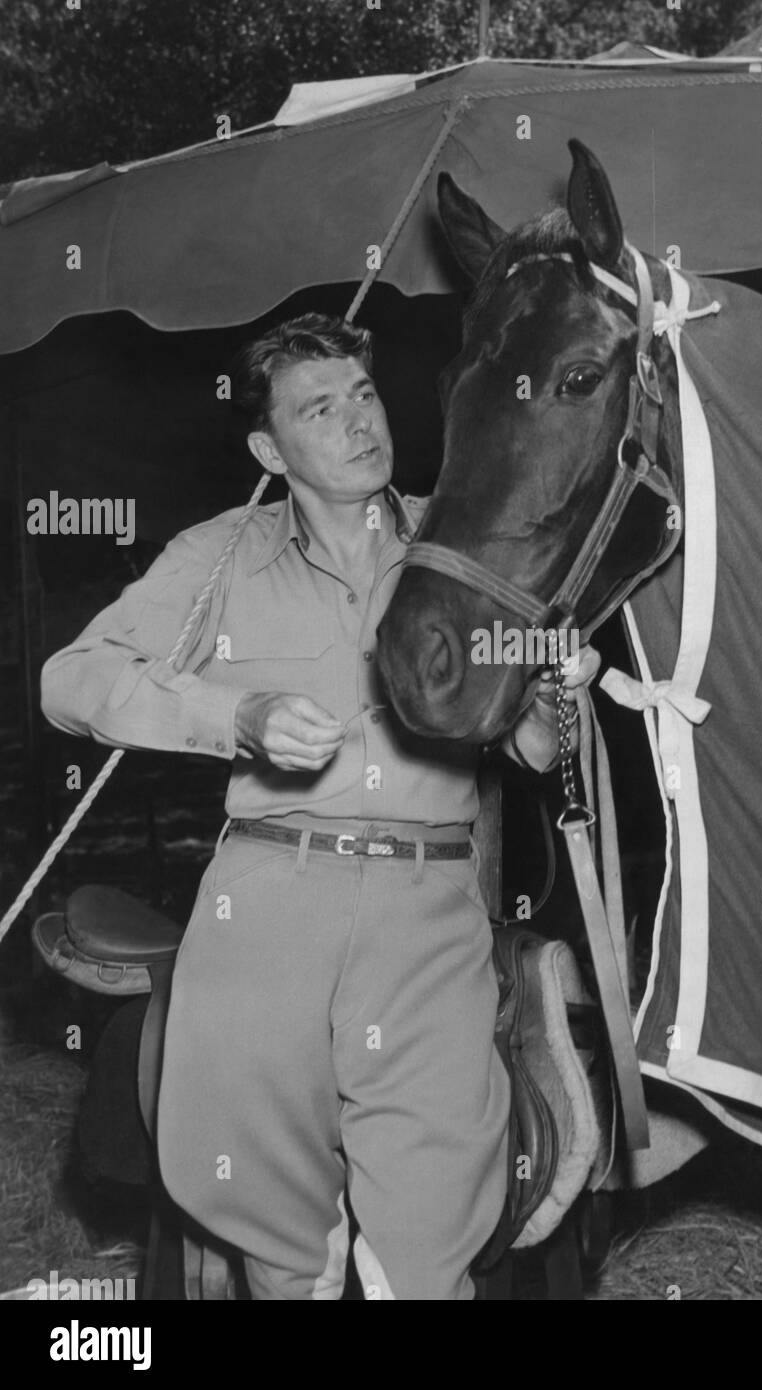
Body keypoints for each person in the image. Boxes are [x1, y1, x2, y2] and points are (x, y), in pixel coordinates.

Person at [40, 312, 600, 1300]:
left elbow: (530, 746)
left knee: (431, 1243)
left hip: (427, 913)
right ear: (268, 446)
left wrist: (557, 692)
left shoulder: (464, 549)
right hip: (264, 899)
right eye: (319, 408)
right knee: (274, 1233)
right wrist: (235, 714)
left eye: (365, 396)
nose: (357, 423)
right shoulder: (219, 556)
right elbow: (72, 680)